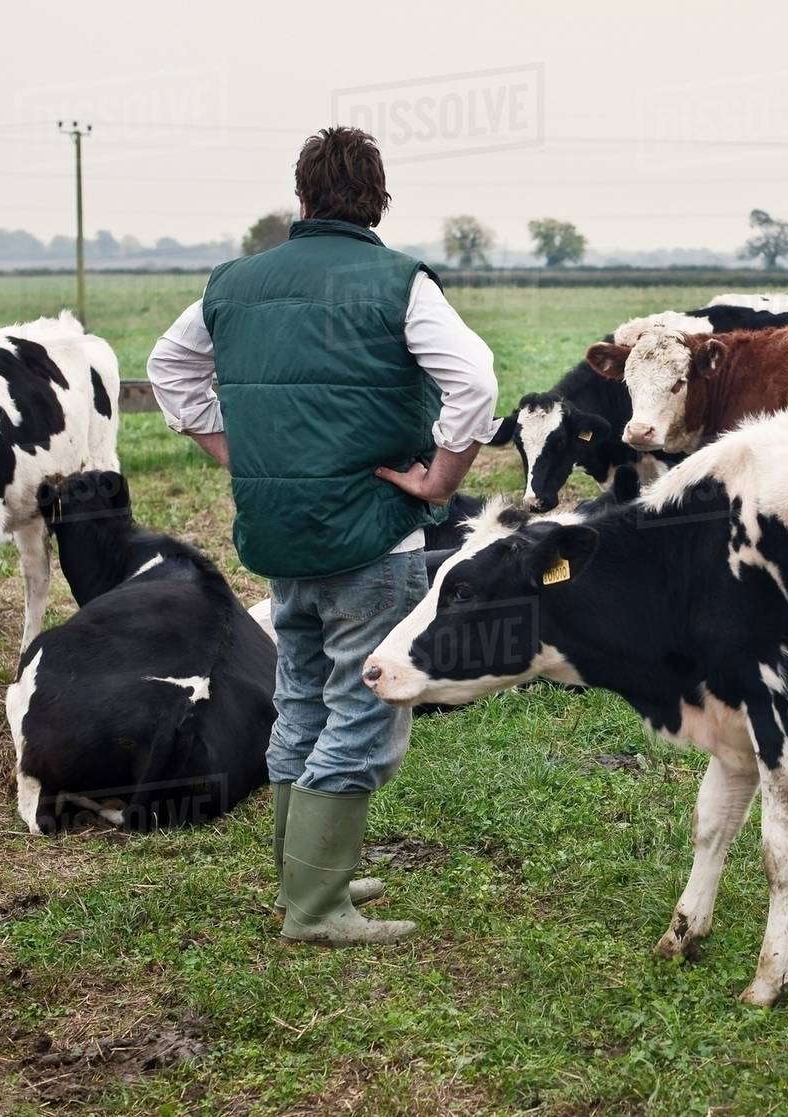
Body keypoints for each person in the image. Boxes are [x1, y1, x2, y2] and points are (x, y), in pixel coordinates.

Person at [147, 127, 498, 944]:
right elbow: (474, 379)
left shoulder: (233, 283)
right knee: (364, 709)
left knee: (300, 697)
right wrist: (441, 480)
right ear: (377, 202)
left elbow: (169, 370)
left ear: (300, 200)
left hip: (280, 539)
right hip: (373, 540)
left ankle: (303, 876)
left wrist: (231, 449)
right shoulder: (397, 282)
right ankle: (316, 909)